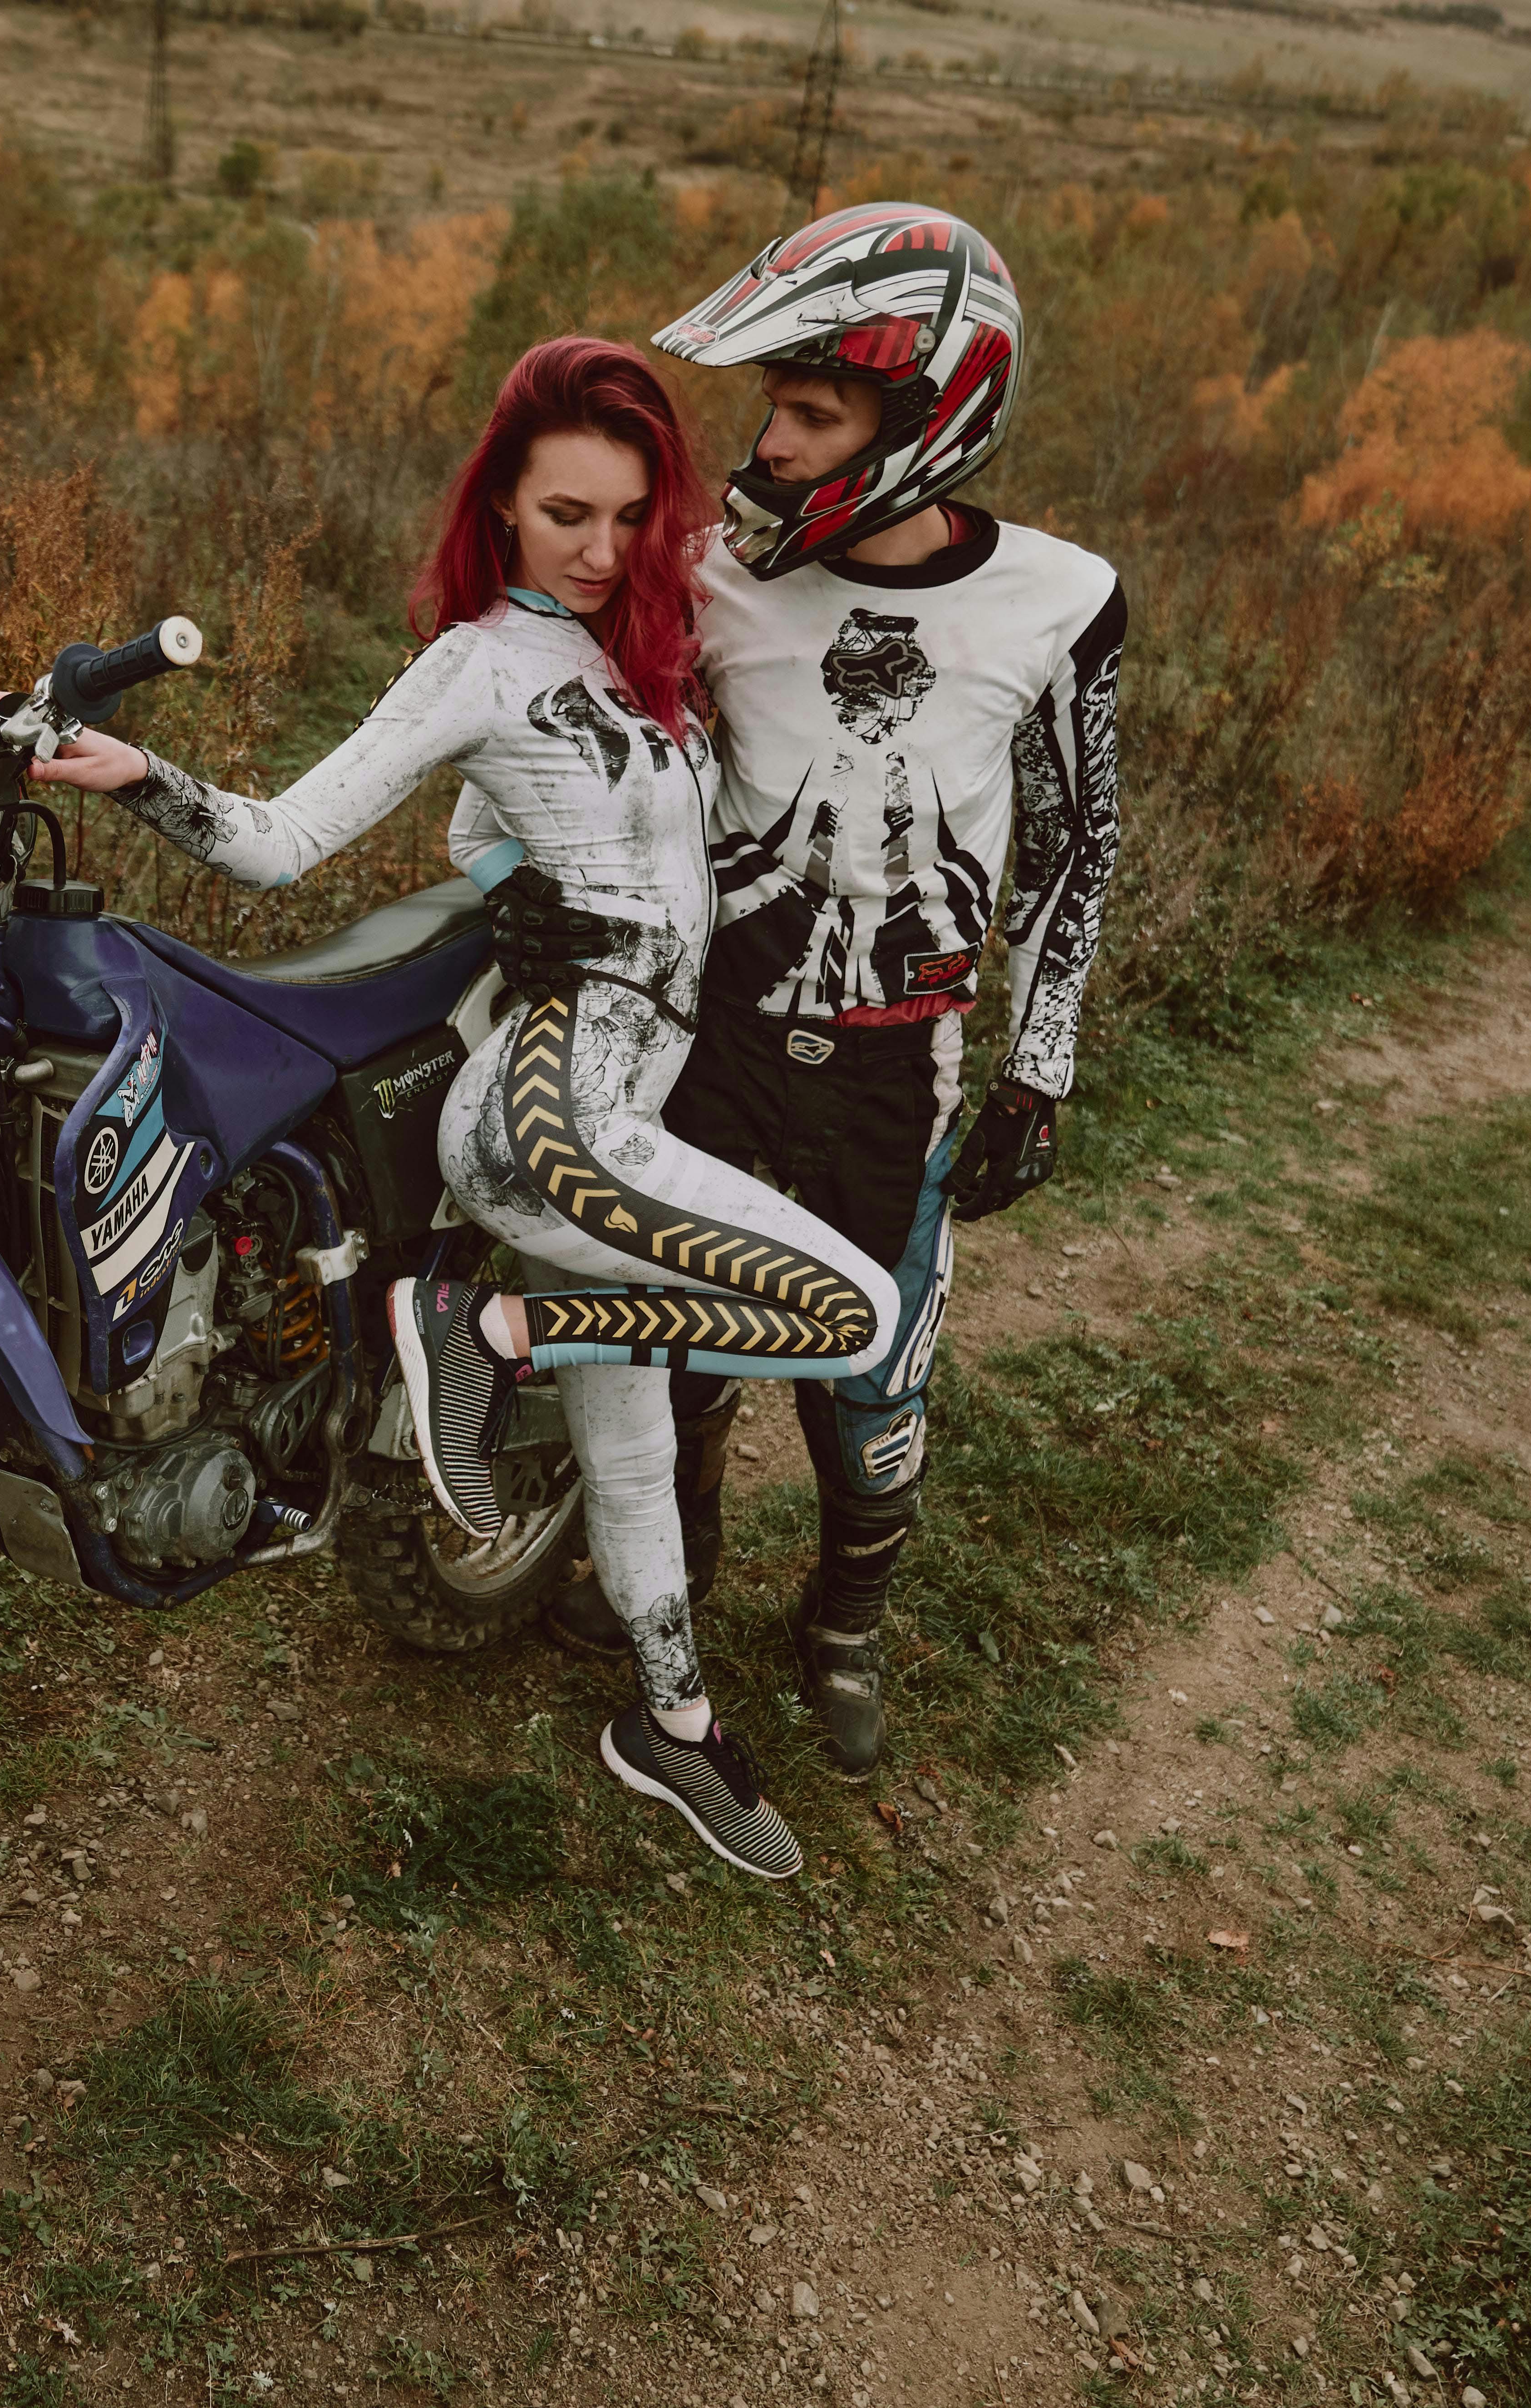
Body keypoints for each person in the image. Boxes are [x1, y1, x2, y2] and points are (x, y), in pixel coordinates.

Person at [18, 335, 896, 1883]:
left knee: (630, 1443)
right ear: (500, 504)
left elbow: (486, 821)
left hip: (617, 1109)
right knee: (855, 1315)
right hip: (550, 1123)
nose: (601, 547)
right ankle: (483, 1332)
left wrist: (510, 881)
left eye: (628, 516)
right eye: (566, 514)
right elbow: (281, 843)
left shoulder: (630, 650)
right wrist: (136, 771)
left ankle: (675, 1724)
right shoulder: (478, 661)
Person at [509, 203, 1129, 1783]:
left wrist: (1041, 1067)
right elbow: (587, 728)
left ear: (928, 419)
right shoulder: (709, 570)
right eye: (772, 406)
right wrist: (539, 881)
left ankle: (847, 1619)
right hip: (710, 1030)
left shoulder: (1061, 601)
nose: (771, 443)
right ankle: (686, 1559)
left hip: (897, 1064)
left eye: (813, 413)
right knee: (685, 1327)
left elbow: (1078, 843)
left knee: (871, 1374)